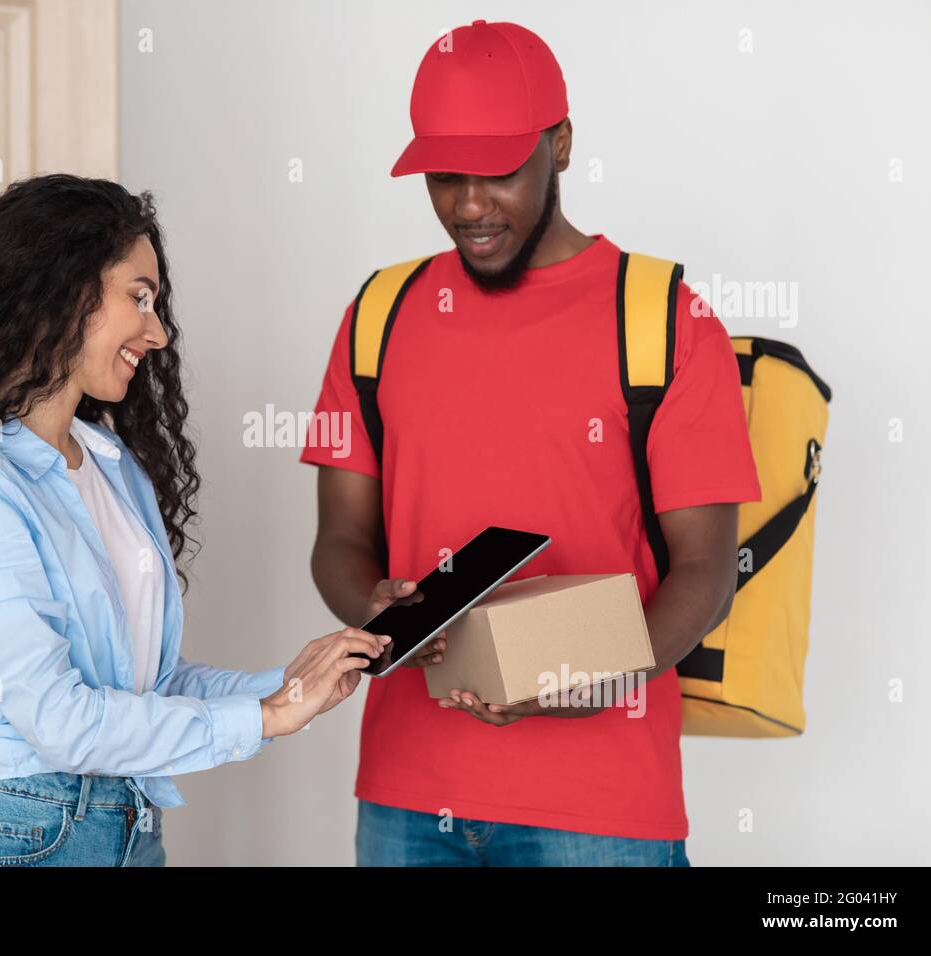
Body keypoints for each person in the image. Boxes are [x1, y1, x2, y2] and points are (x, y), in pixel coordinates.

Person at [300, 21, 761, 866]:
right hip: (407, 798)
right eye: (444, 177)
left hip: (601, 812)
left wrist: (610, 677)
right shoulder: (379, 315)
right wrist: (372, 604)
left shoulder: (664, 319)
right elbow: (338, 540)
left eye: (499, 172)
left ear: (561, 143)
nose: (469, 206)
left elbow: (706, 566)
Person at [0, 174, 385, 867]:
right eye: (140, 298)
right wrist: (264, 717)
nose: (157, 332)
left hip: (120, 830)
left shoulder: (111, 466)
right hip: (17, 837)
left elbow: (139, 691)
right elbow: (59, 721)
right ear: (61, 293)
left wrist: (285, 688)